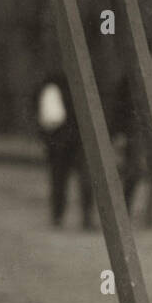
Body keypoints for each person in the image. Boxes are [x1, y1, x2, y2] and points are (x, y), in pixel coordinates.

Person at [36, 70, 92, 230]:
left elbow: (48, 119)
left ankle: (62, 216)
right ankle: (67, 216)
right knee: (69, 179)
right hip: (69, 140)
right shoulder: (57, 86)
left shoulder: (53, 87)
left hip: (68, 140)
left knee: (64, 179)